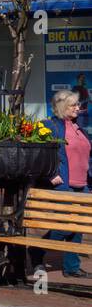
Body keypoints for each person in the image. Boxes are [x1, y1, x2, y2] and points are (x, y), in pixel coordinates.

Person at [40, 89, 92, 279]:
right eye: (74, 105)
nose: (78, 108)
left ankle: (72, 267)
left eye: (78, 105)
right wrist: (51, 174)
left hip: (83, 184)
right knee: (66, 226)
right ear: (62, 106)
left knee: (77, 227)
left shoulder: (80, 128)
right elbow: (39, 155)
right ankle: (37, 251)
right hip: (64, 184)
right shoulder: (50, 126)